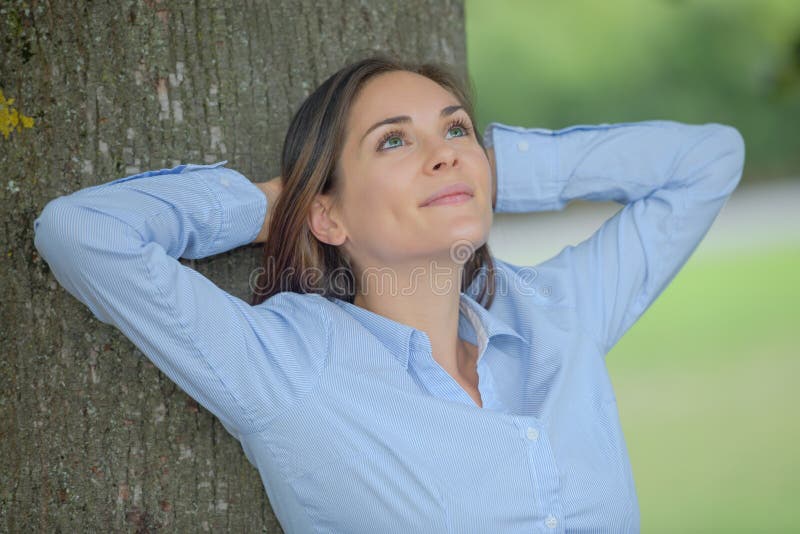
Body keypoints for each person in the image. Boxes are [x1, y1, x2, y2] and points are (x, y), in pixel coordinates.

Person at [33, 54, 745, 533]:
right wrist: (281, 204)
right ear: (330, 216)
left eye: (455, 129)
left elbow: (707, 160)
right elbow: (83, 232)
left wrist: (483, 174)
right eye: (393, 143)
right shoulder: (289, 368)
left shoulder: (558, 315)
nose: (444, 151)